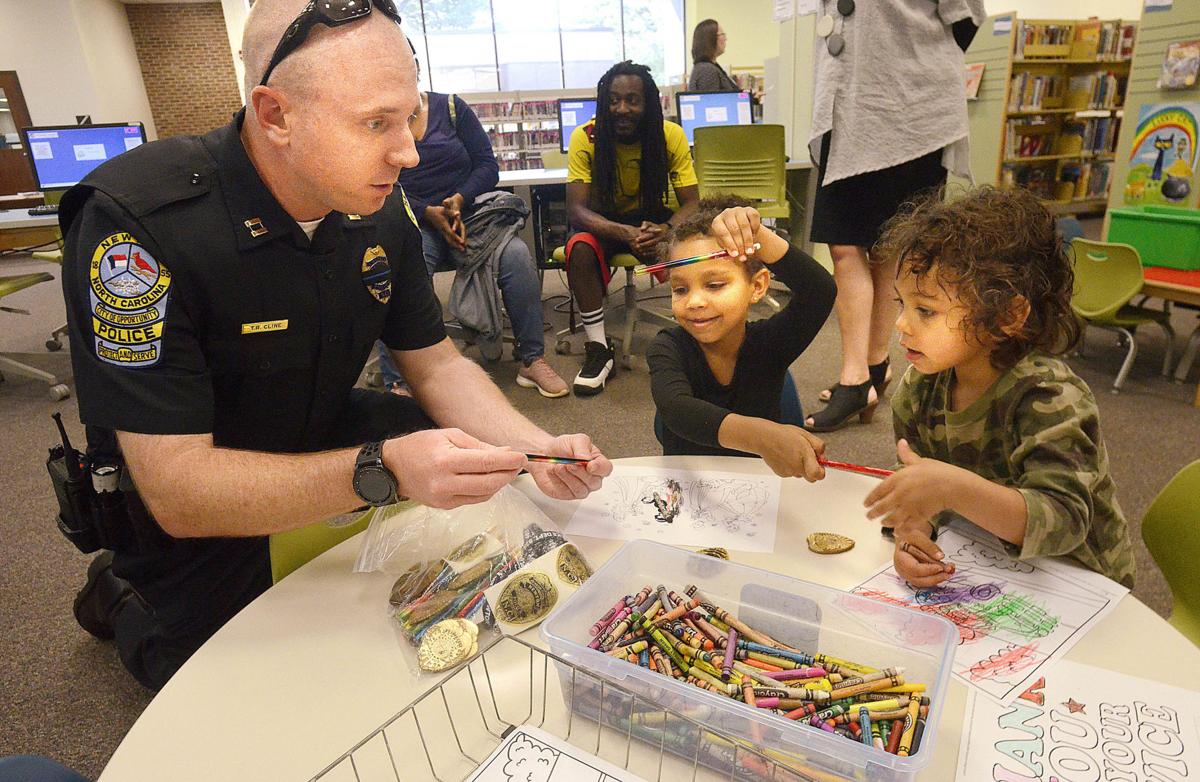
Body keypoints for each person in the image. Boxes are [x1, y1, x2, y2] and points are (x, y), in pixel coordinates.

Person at [57, 0, 611, 690]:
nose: (407, 151)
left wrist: (536, 448)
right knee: (217, 678)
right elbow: (177, 488)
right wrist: (380, 471)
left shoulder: (379, 205)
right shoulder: (137, 223)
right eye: (375, 122)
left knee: (434, 486)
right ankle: (120, 591)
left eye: (408, 116)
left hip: (314, 428)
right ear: (275, 115)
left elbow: (434, 361)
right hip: (194, 496)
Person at [862, 188, 1135, 589]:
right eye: (901, 304)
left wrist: (951, 488)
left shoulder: (1049, 395)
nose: (901, 325)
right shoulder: (918, 391)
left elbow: (1064, 521)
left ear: (1007, 315)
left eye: (925, 310)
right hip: (989, 568)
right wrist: (913, 536)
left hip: (1080, 584)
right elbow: (920, 492)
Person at [803, 0, 985, 432]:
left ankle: (862, 373)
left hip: (911, 112)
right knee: (848, 245)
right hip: (848, 108)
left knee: (887, 248)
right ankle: (867, 372)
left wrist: (905, 59)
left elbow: (966, 17)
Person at [374, 48, 568, 398]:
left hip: (471, 215)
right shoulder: (375, 123)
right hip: (416, 222)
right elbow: (378, 181)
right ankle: (400, 381)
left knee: (518, 258)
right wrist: (426, 211)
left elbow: (486, 165)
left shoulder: (451, 108)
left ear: (415, 68)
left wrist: (459, 199)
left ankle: (532, 359)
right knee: (402, 269)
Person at [647, 197, 835, 481]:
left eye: (714, 285)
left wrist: (759, 237)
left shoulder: (769, 344)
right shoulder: (668, 346)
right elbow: (678, 410)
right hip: (690, 489)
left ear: (757, 286)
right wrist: (763, 437)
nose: (694, 301)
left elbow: (819, 291)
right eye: (680, 289)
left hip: (758, 488)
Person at [565, 60, 700, 396]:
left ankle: (695, 341)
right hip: (604, 223)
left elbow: (693, 203)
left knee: (693, 248)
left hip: (653, 221)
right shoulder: (586, 137)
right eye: (613, 100)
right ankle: (598, 349)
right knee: (579, 247)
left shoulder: (670, 136)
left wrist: (667, 229)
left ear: (648, 103)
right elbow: (577, 210)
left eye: (632, 100)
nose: (621, 109)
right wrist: (623, 233)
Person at [688, 20, 739, 93]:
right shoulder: (707, 70)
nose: (725, 39)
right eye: (723, 35)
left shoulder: (708, 66)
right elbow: (712, 103)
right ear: (711, 39)